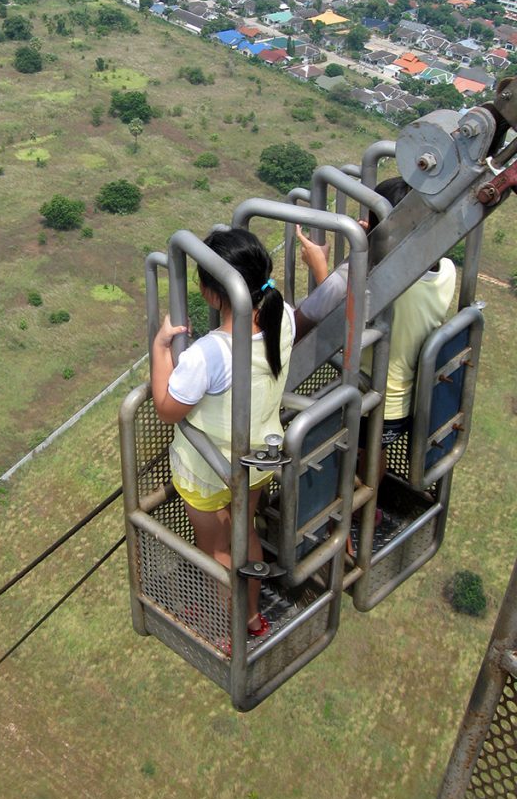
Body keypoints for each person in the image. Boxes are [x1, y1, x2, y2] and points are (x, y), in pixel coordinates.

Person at [151, 227, 296, 641]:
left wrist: (161, 348)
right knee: (244, 530)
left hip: (208, 471)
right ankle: (252, 615)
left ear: (213, 293)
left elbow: (167, 409)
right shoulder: (282, 316)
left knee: (216, 550)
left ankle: (230, 624)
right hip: (257, 460)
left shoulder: (209, 354)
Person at [295, 176, 457, 460]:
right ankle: (372, 505)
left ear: (376, 227)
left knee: (342, 466)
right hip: (403, 404)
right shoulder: (448, 271)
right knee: (371, 459)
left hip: (366, 399)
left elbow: (303, 325)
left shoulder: (358, 280)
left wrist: (323, 265)